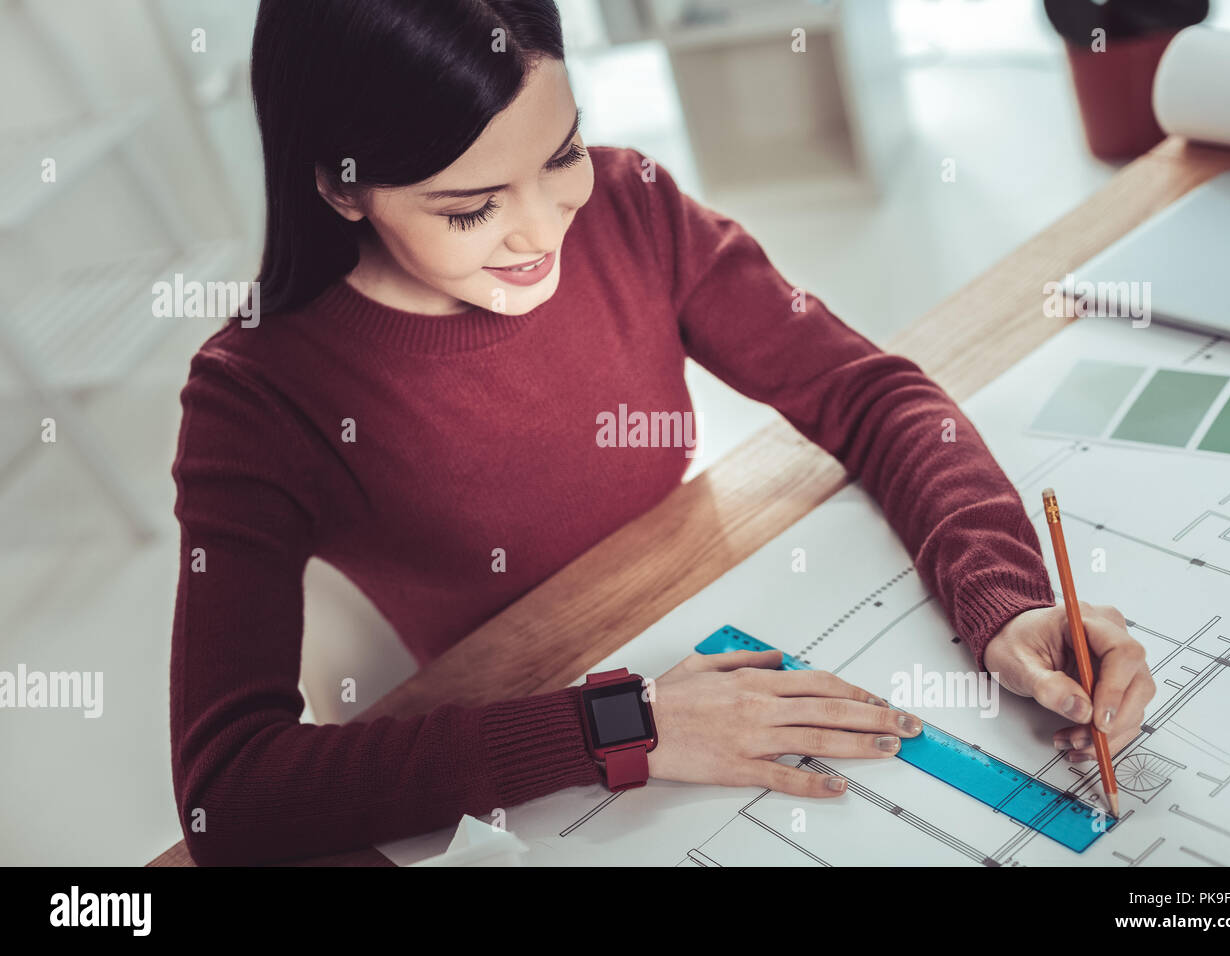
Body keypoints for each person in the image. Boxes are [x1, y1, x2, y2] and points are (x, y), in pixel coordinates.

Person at [169, 0, 1156, 865]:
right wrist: (618, 721)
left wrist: (1002, 597)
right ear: (342, 187)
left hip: (686, 608)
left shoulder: (632, 206)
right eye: (470, 207)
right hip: (534, 724)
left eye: (559, 154)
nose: (539, 229)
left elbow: (870, 395)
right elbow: (229, 790)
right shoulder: (254, 398)